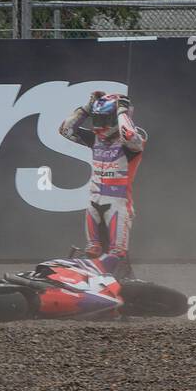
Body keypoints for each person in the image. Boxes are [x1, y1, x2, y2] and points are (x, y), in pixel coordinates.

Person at [31, 91, 148, 316]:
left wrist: (122, 110)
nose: (100, 125)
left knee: (117, 254)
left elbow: (130, 134)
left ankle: (126, 298)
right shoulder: (95, 139)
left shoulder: (132, 143)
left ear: (116, 118)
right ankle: (91, 295)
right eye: (98, 119)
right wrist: (87, 107)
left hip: (118, 203)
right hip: (94, 202)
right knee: (93, 251)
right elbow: (66, 130)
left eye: (105, 119)